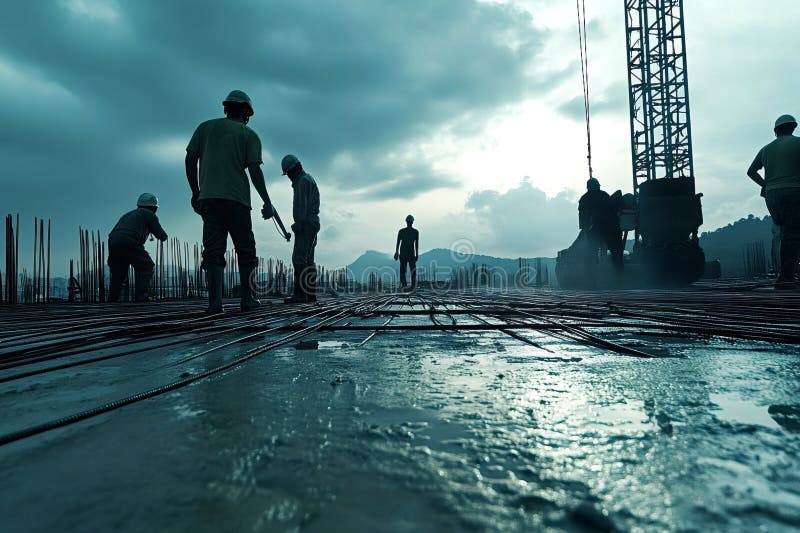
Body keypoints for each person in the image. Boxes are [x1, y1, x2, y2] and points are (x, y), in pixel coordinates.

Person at [185, 90, 277, 313]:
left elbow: (190, 160)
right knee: (245, 250)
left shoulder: (205, 128)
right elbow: (254, 171)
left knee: (213, 251)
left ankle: (214, 303)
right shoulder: (249, 135)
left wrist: (195, 192)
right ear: (247, 113)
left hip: (209, 198)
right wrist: (267, 202)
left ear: (226, 108)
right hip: (237, 200)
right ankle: (248, 299)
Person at [748, 114, 800, 288]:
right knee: (791, 235)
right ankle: (786, 277)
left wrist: (765, 185)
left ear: (776, 131)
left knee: (784, 233)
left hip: (772, 195)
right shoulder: (797, 143)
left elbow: (751, 171)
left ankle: (786, 273)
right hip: (793, 191)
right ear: (793, 127)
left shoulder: (766, 149)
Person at [107, 193, 167, 302]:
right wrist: (163, 236)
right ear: (154, 208)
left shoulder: (129, 214)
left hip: (113, 241)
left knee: (119, 272)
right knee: (146, 265)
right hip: (128, 240)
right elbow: (161, 235)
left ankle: (112, 298)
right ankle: (142, 296)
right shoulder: (149, 214)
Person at [280, 154, 320, 304]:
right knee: (309, 260)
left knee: (299, 259)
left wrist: (298, 225)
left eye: (288, 174)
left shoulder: (302, 182)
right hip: (313, 223)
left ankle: (300, 294)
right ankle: (310, 294)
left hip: (306, 225)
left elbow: (301, 208)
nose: (288, 177)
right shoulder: (308, 179)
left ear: (292, 171)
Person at [578, 178, 623, 276]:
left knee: (592, 254)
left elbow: (582, 219)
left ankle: (591, 280)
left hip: (599, 229)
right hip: (607, 228)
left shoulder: (585, 199)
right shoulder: (603, 195)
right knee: (615, 253)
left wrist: (586, 229)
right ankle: (619, 276)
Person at [394, 215, 419, 289]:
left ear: (407, 222)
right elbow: (416, 245)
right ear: (412, 222)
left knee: (403, 270)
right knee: (411, 270)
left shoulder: (402, 231)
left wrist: (396, 252)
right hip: (409, 254)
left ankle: (405, 285)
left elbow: (398, 243)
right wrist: (417, 254)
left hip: (405, 254)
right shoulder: (415, 232)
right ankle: (411, 285)